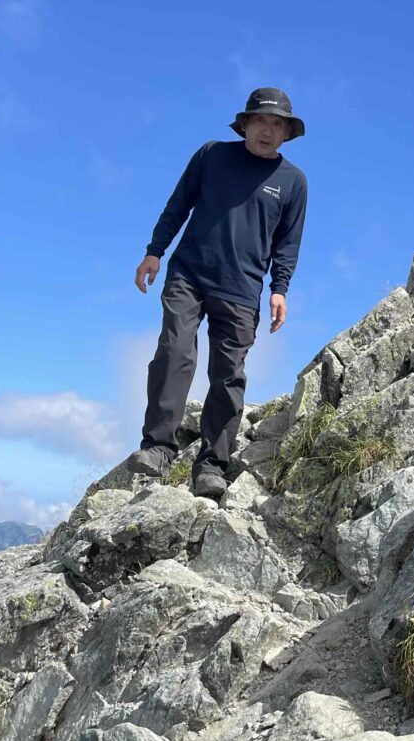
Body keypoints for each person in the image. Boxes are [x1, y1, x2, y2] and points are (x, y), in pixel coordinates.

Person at [126, 88, 308, 502]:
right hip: (189, 273)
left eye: (277, 124)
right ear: (245, 123)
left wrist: (280, 289)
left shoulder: (294, 182)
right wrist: (154, 250)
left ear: (286, 133)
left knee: (228, 376)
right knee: (174, 350)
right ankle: (158, 447)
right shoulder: (211, 155)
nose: (268, 130)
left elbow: (288, 243)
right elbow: (179, 205)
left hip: (243, 290)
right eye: (261, 120)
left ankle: (211, 465)